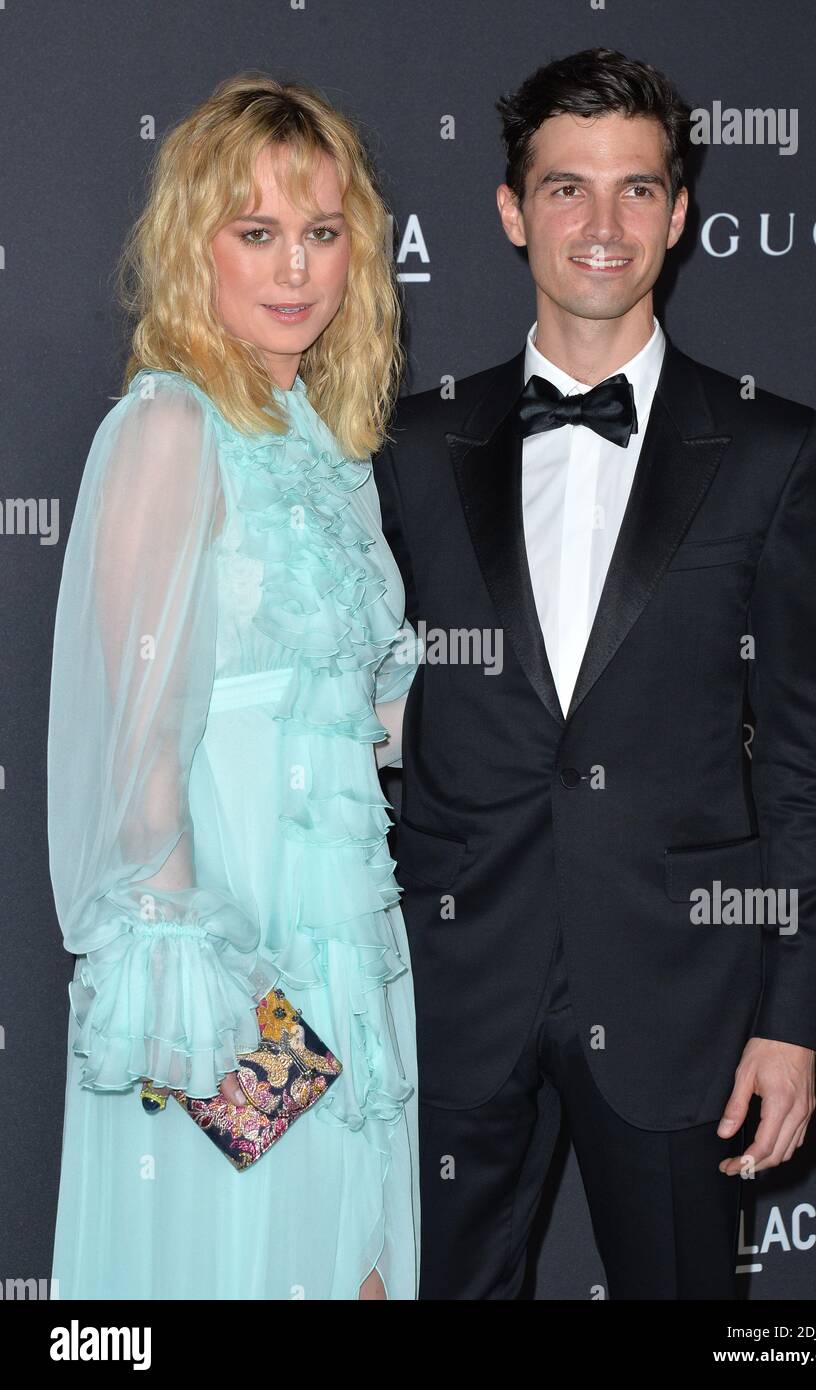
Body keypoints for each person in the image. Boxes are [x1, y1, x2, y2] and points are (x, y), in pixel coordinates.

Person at [372, 46, 816, 1299]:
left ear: (679, 213)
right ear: (510, 209)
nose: (601, 223)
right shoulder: (411, 446)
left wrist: (793, 1018)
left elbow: (804, 761)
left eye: (636, 189)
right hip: (453, 988)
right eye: (566, 187)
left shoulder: (771, 450)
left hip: (683, 999)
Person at [48, 71, 421, 1301]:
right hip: (223, 960)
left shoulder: (332, 449)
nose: (295, 268)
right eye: (256, 233)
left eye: (321, 234)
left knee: (352, 1269)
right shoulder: (166, 427)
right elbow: (137, 762)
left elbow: (367, 718)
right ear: (192, 244)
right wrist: (209, 1016)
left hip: (347, 946)